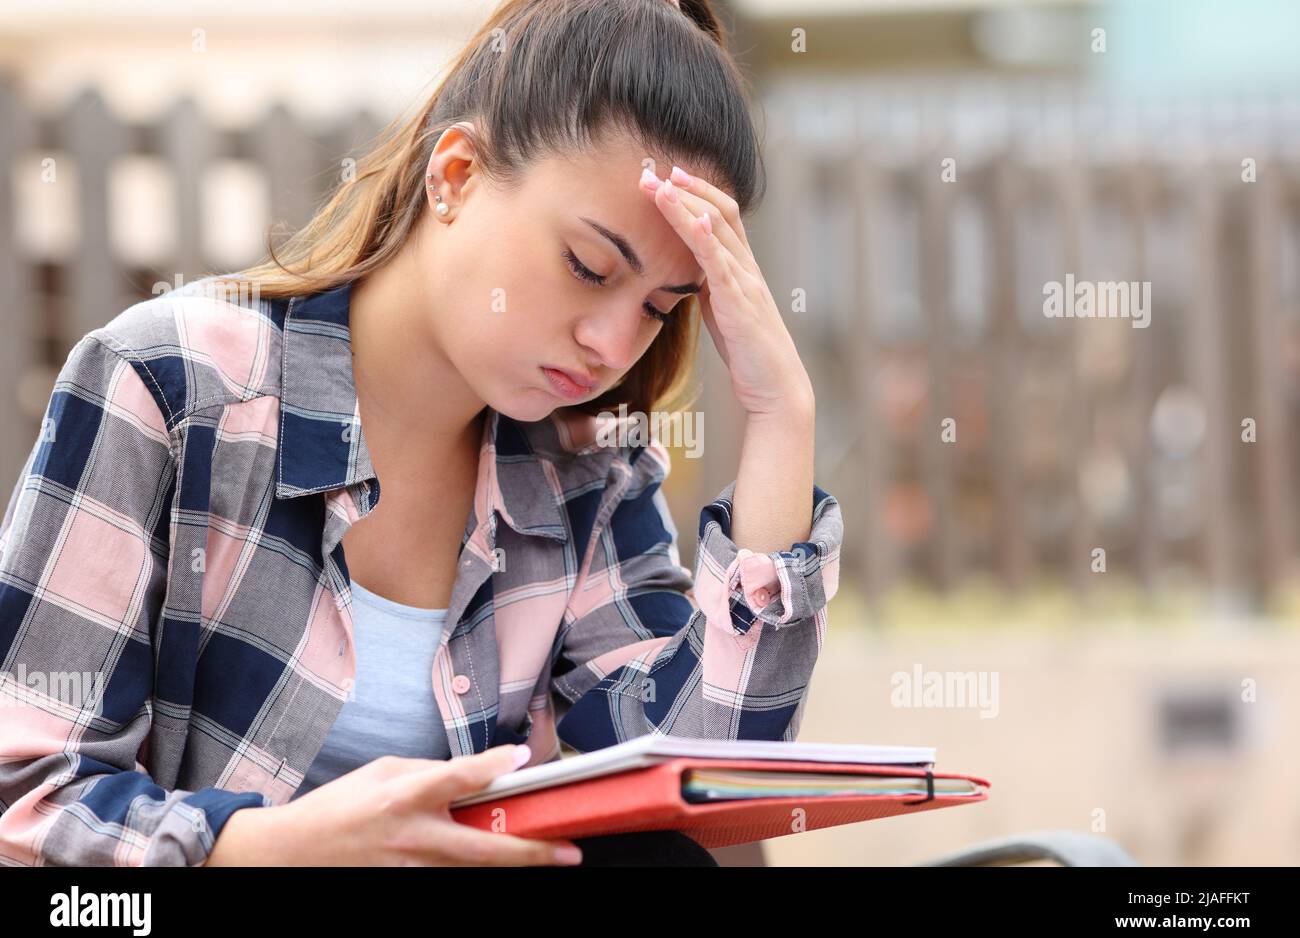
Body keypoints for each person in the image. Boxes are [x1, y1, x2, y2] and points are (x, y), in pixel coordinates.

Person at [0, 0, 842, 867]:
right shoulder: (171, 385)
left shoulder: (584, 466)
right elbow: (23, 803)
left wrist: (783, 417)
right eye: (588, 268)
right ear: (457, 174)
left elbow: (715, 781)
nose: (613, 344)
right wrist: (269, 848)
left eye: (659, 311)